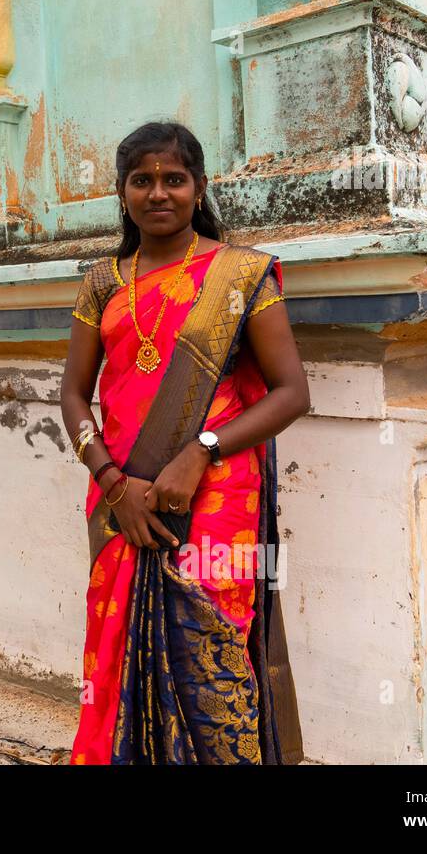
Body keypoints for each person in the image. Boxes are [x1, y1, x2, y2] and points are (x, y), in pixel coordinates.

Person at [61, 121, 309, 764]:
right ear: (122, 193)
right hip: (122, 503)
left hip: (217, 497)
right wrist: (113, 483)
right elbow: (72, 397)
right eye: (142, 180)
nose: (158, 193)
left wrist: (202, 450)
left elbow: (292, 393)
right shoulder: (100, 283)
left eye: (174, 179)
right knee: (117, 661)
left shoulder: (242, 276)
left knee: (211, 656)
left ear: (199, 190)